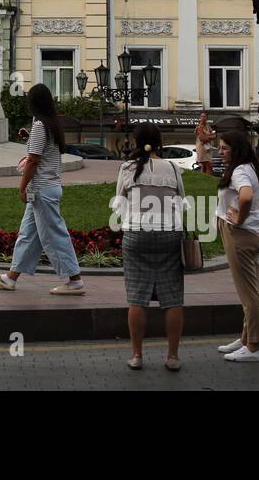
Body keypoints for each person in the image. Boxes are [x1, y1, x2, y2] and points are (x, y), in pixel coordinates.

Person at [0, 83, 85, 296]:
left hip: (42, 190)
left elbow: (32, 160)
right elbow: (40, 151)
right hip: (47, 189)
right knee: (28, 234)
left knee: (54, 236)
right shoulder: (51, 124)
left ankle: (74, 280)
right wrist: (29, 136)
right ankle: (10, 278)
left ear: (34, 104)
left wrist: (22, 188)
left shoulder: (41, 126)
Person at [114, 122, 185, 371]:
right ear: (159, 142)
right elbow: (181, 202)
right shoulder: (173, 168)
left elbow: (118, 203)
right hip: (169, 233)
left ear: (135, 141)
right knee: (173, 297)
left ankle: (137, 356)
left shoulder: (127, 167)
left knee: (137, 296)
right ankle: (173, 357)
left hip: (137, 233)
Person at [216, 129, 259, 362]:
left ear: (236, 150)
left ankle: (253, 348)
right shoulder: (251, 167)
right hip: (251, 233)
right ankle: (246, 338)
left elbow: (246, 196)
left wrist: (240, 217)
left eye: (224, 148)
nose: (220, 152)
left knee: (249, 294)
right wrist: (258, 212)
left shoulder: (240, 171)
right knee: (251, 289)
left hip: (239, 235)